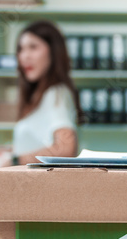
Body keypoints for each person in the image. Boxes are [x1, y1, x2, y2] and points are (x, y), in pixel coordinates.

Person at [7, 20, 81, 164]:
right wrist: (7, 152)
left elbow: (65, 148)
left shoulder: (55, 93)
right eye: (21, 49)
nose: (24, 56)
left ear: (53, 51)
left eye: (33, 47)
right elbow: (41, 144)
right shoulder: (40, 96)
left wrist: (14, 161)